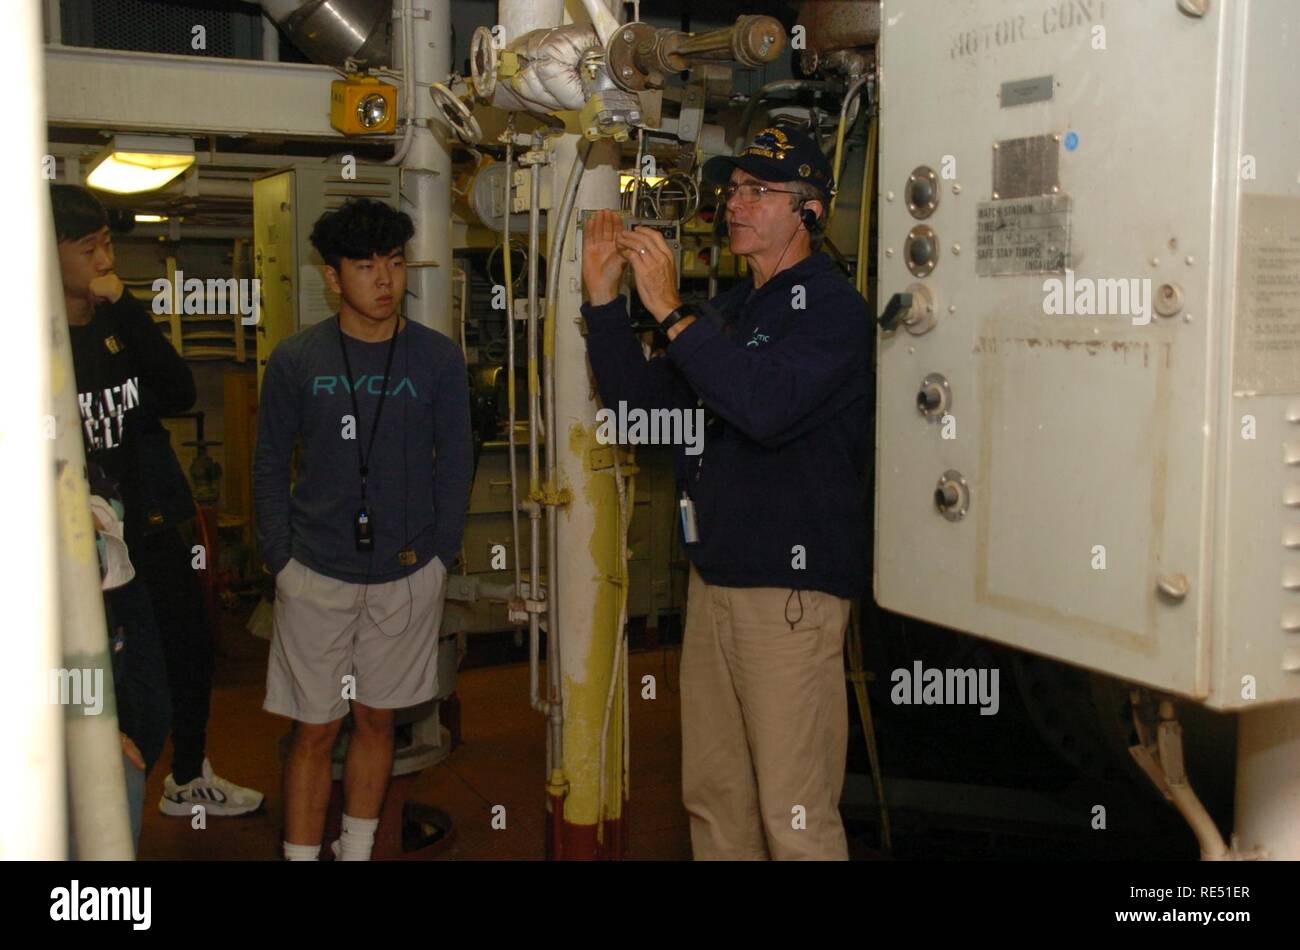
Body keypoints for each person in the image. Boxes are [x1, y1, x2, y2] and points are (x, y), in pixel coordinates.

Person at [580, 123, 871, 860]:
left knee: (793, 813)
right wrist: (605, 306)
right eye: (732, 190)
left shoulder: (835, 311)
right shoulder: (733, 313)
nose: (734, 205)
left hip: (790, 597)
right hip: (714, 584)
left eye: (757, 192)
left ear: (808, 210)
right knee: (715, 798)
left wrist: (671, 310)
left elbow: (763, 408)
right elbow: (646, 418)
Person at [253, 198, 473, 861]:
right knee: (315, 730)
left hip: (408, 574)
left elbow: (455, 461)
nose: (385, 279)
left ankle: (356, 850)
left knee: (379, 720)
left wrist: (439, 556)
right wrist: (279, 560)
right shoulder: (297, 360)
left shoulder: (436, 359)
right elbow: (268, 464)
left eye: (395, 262)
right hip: (314, 572)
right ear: (331, 276)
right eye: (365, 265)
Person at [51, 184, 263, 821]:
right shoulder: (36, 339)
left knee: (189, 644)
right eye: (87, 248)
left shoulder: (118, 321)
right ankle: (100, 800)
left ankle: (188, 776)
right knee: (110, 678)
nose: (104, 258)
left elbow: (173, 393)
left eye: (107, 244)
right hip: (75, 545)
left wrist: (130, 310)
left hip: (148, 519)